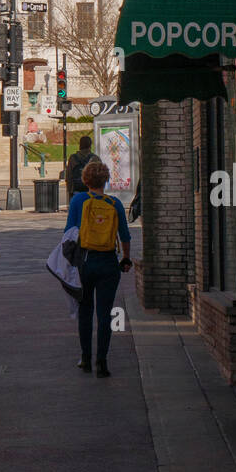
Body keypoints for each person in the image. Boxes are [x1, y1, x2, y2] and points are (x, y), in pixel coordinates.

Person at [67, 160, 132, 378]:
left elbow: (70, 232)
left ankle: (85, 358)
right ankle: (102, 361)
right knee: (105, 314)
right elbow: (125, 235)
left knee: (85, 311)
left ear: (85, 180)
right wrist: (126, 258)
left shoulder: (78, 200)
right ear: (106, 180)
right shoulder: (114, 204)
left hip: (84, 262)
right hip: (108, 263)